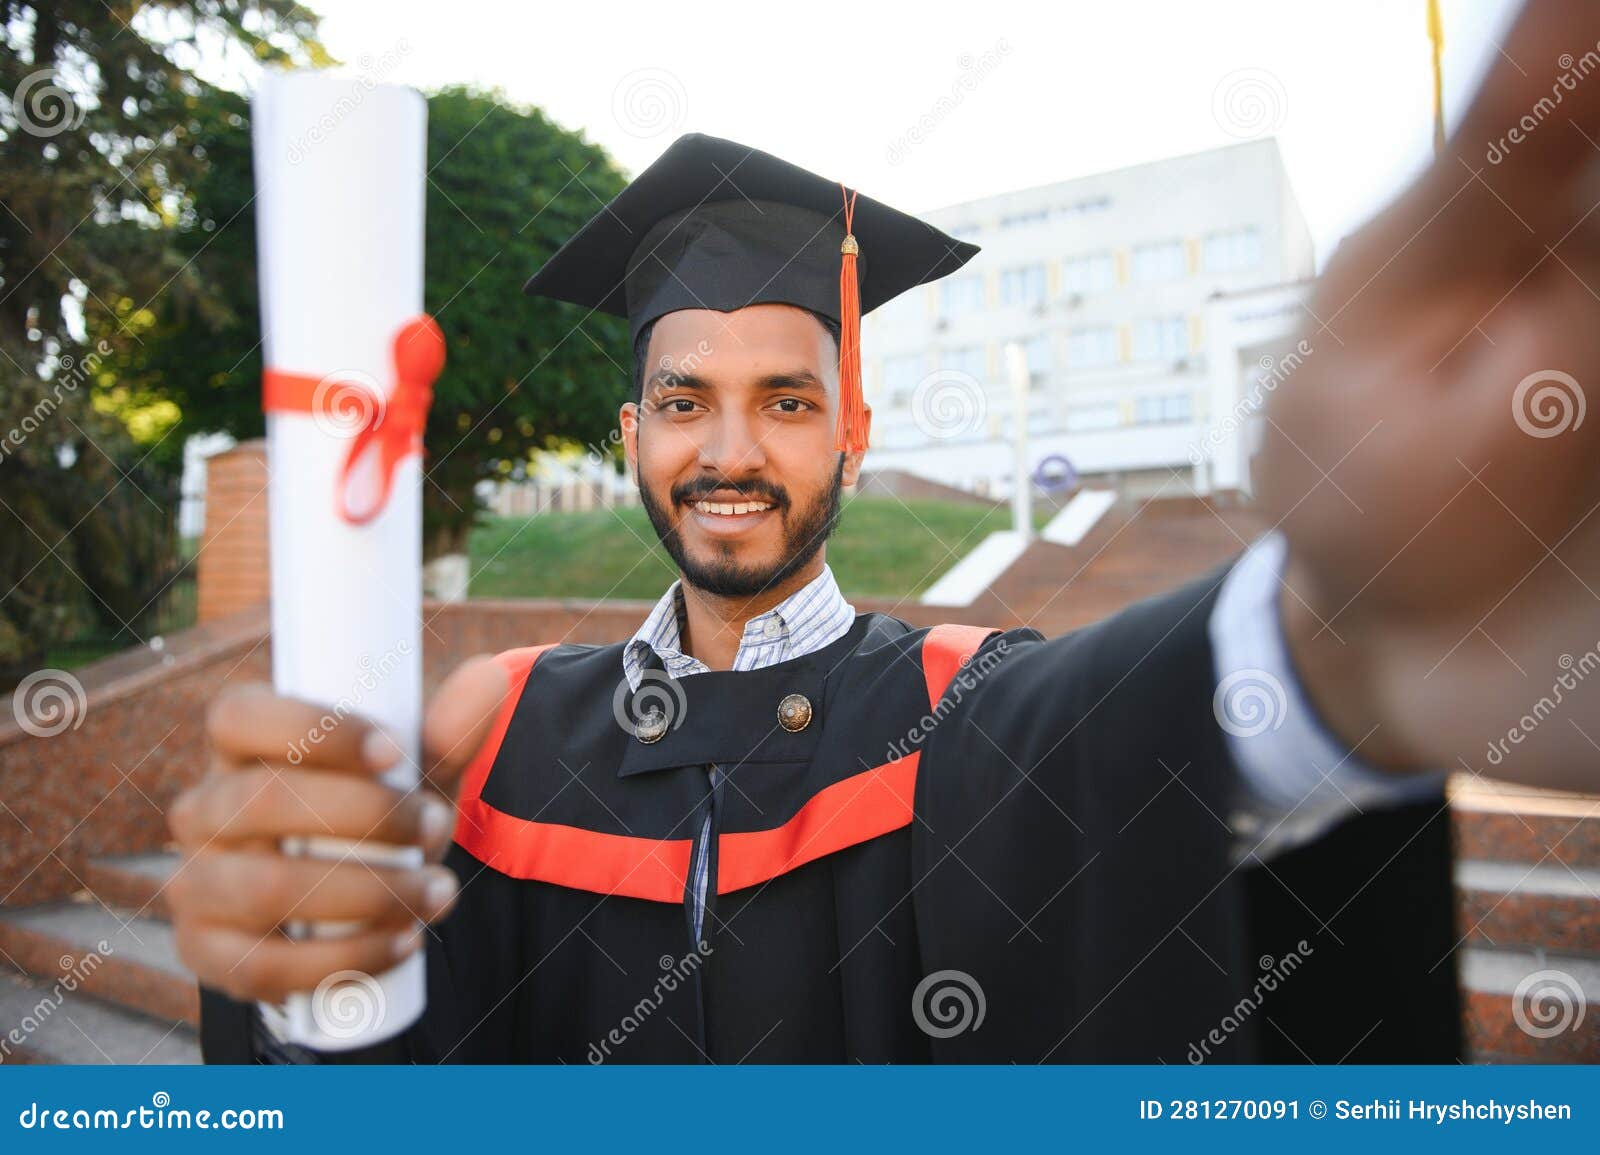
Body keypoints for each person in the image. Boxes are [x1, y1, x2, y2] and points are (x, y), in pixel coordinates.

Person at [173, 1, 1600, 1062]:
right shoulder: (502, 744)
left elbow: (1130, 749)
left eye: (788, 399)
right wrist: (292, 969)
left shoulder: (962, 710)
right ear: (630, 438)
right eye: (684, 400)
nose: (731, 451)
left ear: (853, 432)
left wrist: (1356, 642)